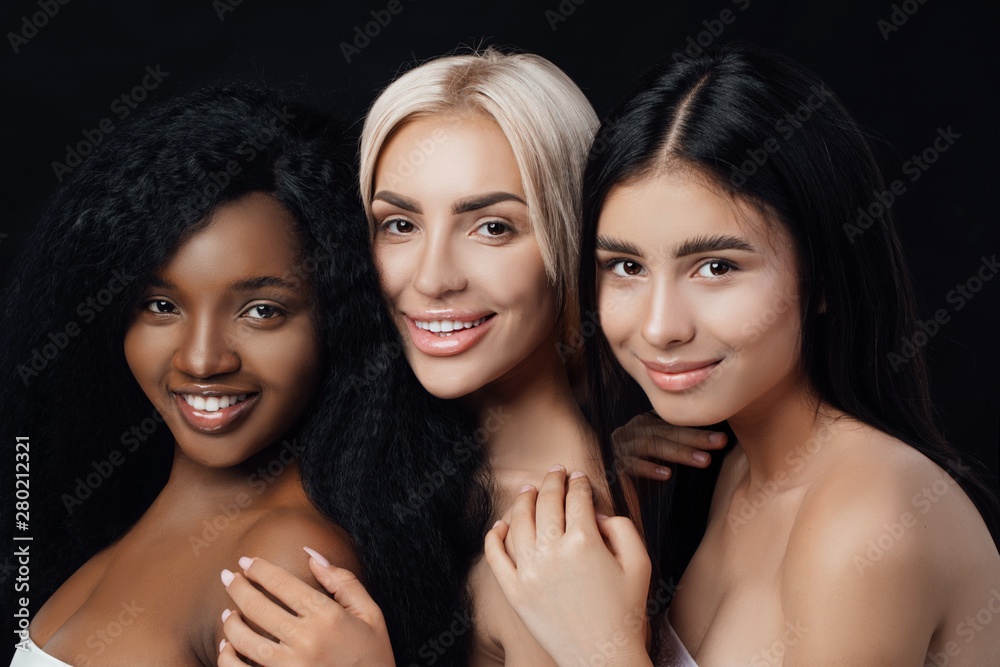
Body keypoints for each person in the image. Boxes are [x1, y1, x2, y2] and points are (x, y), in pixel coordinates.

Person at [484, 43, 1000, 666]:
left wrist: (602, 647)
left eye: (717, 266)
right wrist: (609, 482)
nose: (659, 326)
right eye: (626, 266)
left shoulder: (867, 519)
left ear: (824, 279)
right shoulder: (731, 468)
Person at [218, 49, 723, 666]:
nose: (432, 278)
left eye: (492, 228)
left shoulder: (557, 547)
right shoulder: (376, 439)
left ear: (570, 239)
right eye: (400, 224)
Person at [1, 83, 491, 666]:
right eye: (162, 305)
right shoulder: (125, 506)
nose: (202, 360)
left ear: (338, 320)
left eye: (262, 311)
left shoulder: (277, 567)